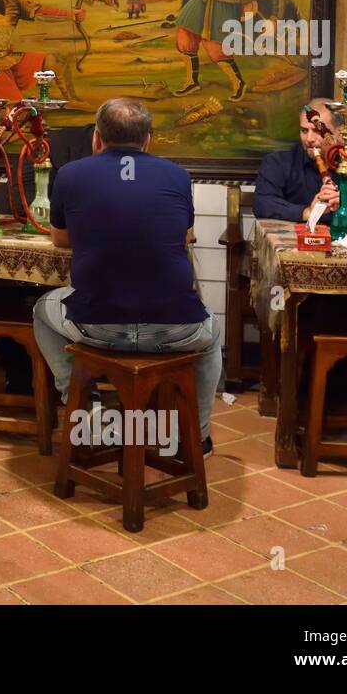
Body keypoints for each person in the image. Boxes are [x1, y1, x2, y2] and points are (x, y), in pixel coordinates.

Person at [33, 98, 220, 453]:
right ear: (149, 140)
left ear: (97, 138)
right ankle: (196, 437)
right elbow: (182, 232)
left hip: (97, 329)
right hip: (175, 330)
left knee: (42, 310)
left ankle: (89, 416)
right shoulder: (178, 176)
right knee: (212, 333)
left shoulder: (71, 174)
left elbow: (60, 238)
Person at [253, 98, 347, 225]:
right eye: (304, 131)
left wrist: (346, 208)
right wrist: (308, 212)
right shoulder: (277, 163)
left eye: (317, 131)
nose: (309, 139)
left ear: (340, 133)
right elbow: (262, 204)